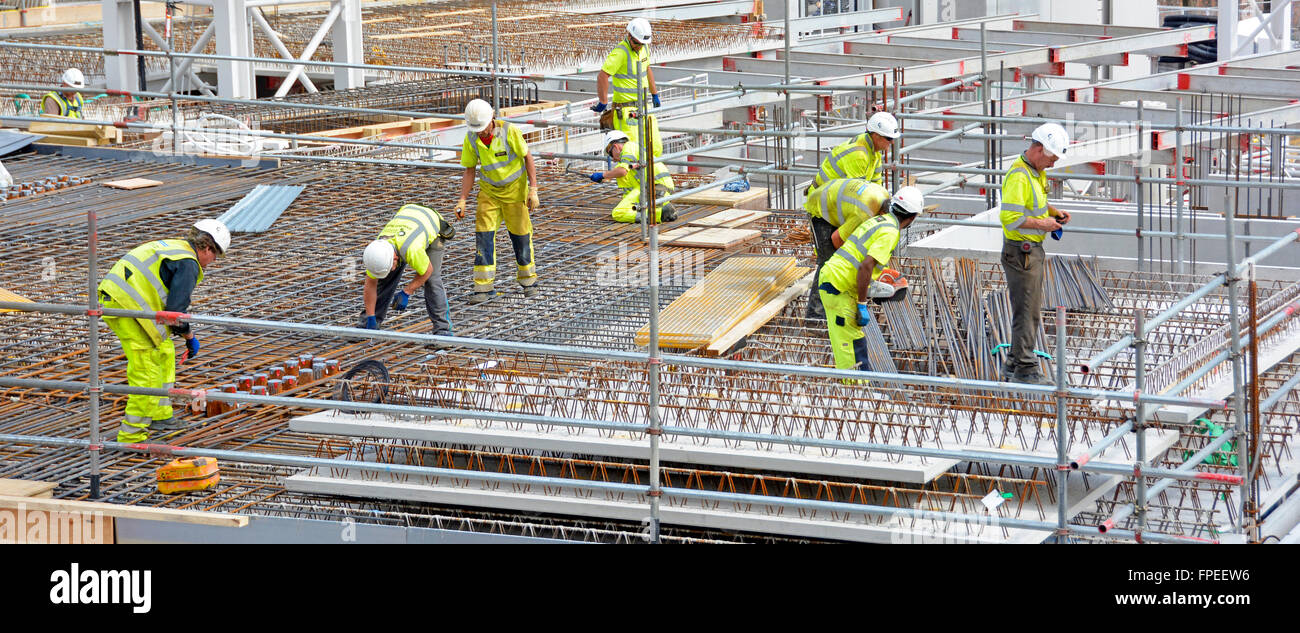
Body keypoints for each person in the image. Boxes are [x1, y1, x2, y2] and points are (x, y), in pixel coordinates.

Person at [98, 219, 230, 442]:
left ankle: (160, 415)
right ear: (208, 248)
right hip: (127, 305)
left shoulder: (177, 248)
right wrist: (190, 336)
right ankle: (132, 435)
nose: (212, 262)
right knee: (147, 371)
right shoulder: (188, 263)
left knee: (165, 350)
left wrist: (186, 334)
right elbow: (174, 313)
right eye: (215, 257)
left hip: (131, 302)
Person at [816, 187, 924, 379]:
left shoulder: (879, 221)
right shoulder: (890, 232)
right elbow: (865, 266)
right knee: (847, 345)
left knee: (857, 339)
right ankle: (853, 392)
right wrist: (862, 303)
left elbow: (864, 262)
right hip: (837, 285)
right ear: (913, 217)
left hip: (839, 281)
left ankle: (859, 386)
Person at [999, 122, 1072, 385]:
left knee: (1028, 310)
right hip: (1022, 253)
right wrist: (1044, 224)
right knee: (1027, 311)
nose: (1053, 164)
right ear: (1039, 149)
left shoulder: (1033, 172)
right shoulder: (1020, 175)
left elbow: (1035, 203)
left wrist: (1053, 213)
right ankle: (1026, 369)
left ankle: (1013, 363)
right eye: (1052, 158)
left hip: (1029, 252)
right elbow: (1010, 219)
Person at [455, 98, 540, 303]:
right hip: (489, 193)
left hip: (514, 192)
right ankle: (483, 289)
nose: (481, 132)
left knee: (521, 237)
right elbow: (469, 169)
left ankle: (528, 282)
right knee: (483, 238)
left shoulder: (509, 131)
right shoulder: (472, 138)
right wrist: (463, 199)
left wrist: (533, 189)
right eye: (477, 129)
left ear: (492, 118)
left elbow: (527, 157)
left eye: (483, 128)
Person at [361, 203, 456, 335]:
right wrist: (370, 316)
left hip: (432, 223)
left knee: (432, 280)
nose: (392, 268)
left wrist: (407, 291)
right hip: (408, 215)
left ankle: (443, 330)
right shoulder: (377, 252)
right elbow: (370, 286)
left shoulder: (412, 249)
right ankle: (369, 324)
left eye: (392, 265)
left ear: (395, 257)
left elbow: (426, 271)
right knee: (386, 278)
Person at [803, 178, 891, 319]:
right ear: (881, 214)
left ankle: (834, 308)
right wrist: (851, 261)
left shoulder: (883, 197)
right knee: (828, 262)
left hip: (836, 198)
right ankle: (815, 316)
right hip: (820, 207)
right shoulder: (863, 213)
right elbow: (836, 239)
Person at [592, 17, 663, 156]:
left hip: (643, 106)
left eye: (642, 43)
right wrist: (603, 101)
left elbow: (647, 69)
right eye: (637, 43)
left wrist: (654, 94)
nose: (639, 46)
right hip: (626, 111)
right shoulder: (620, 52)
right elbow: (602, 75)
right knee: (632, 151)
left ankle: (649, 177)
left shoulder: (644, 48)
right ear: (629, 36)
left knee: (655, 147)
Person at [589, 130, 677, 224]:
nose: (613, 159)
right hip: (657, 187)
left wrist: (603, 175)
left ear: (615, 147)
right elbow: (629, 191)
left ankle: (660, 214)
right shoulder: (632, 157)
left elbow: (622, 171)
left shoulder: (628, 147)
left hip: (657, 186)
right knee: (630, 210)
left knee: (618, 213)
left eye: (611, 154)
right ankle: (663, 210)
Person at [809, 111, 899, 192]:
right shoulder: (859, 155)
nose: (892, 142)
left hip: (831, 195)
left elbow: (876, 187)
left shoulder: (875, 153)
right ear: (876, 135)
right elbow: (857, 194)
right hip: (822, 200)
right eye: (889, 138)